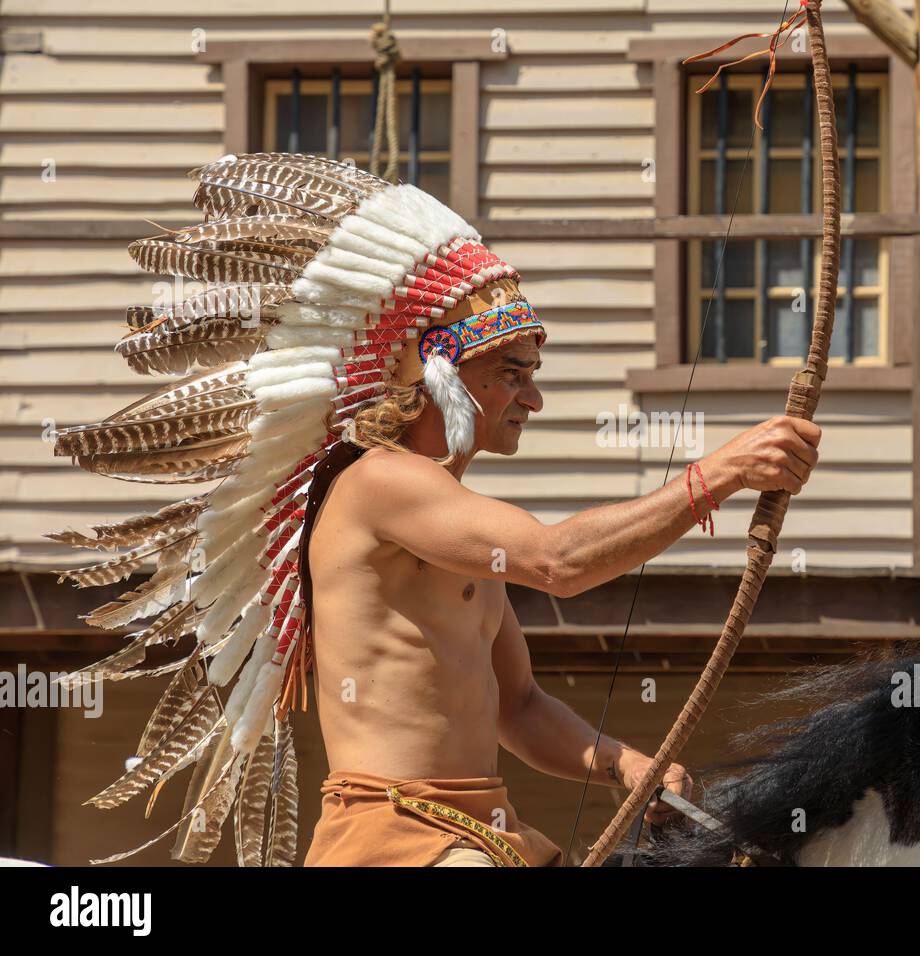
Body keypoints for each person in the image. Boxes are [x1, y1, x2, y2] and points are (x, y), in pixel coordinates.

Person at [49, 152, 819, 867]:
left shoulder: (454, 523)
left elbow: (518, 705)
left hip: (484, 833)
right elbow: (559, 562)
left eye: (534, 373)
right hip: (392, 835)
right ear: (445, 376)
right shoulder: (384, 484)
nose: (534, 396)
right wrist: (718, 473)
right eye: (513, 371)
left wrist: (625, 763)